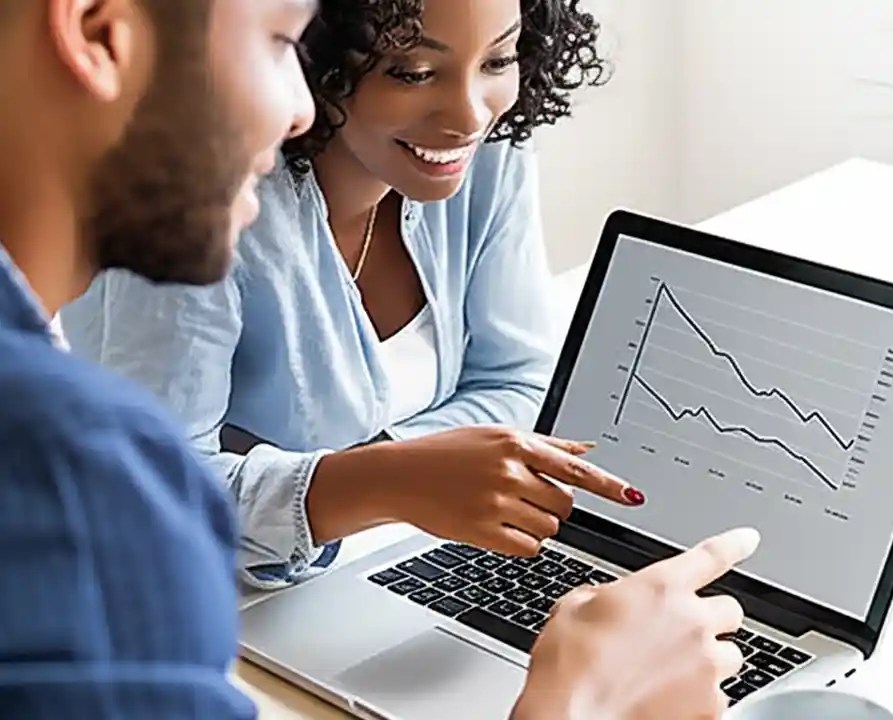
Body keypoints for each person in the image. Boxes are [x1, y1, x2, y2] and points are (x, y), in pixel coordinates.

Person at [1, 0, 750, 717]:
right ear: (99, 32)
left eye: (498, 59)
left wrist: (395, 481)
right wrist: (582, 705)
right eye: (277, 40)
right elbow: (166, 494)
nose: (299, 105)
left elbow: (518, 379)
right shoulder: (76, 482)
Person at [60, 0, 623, 589]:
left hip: (386, 565)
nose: (468, 115)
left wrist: (377, 476)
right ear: (315, 55)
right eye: (413, 73)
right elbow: (146, 495)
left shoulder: (487, 154)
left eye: (498, 59)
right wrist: (390, 483)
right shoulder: (199, 200)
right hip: (200, 606)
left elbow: (521, 383)